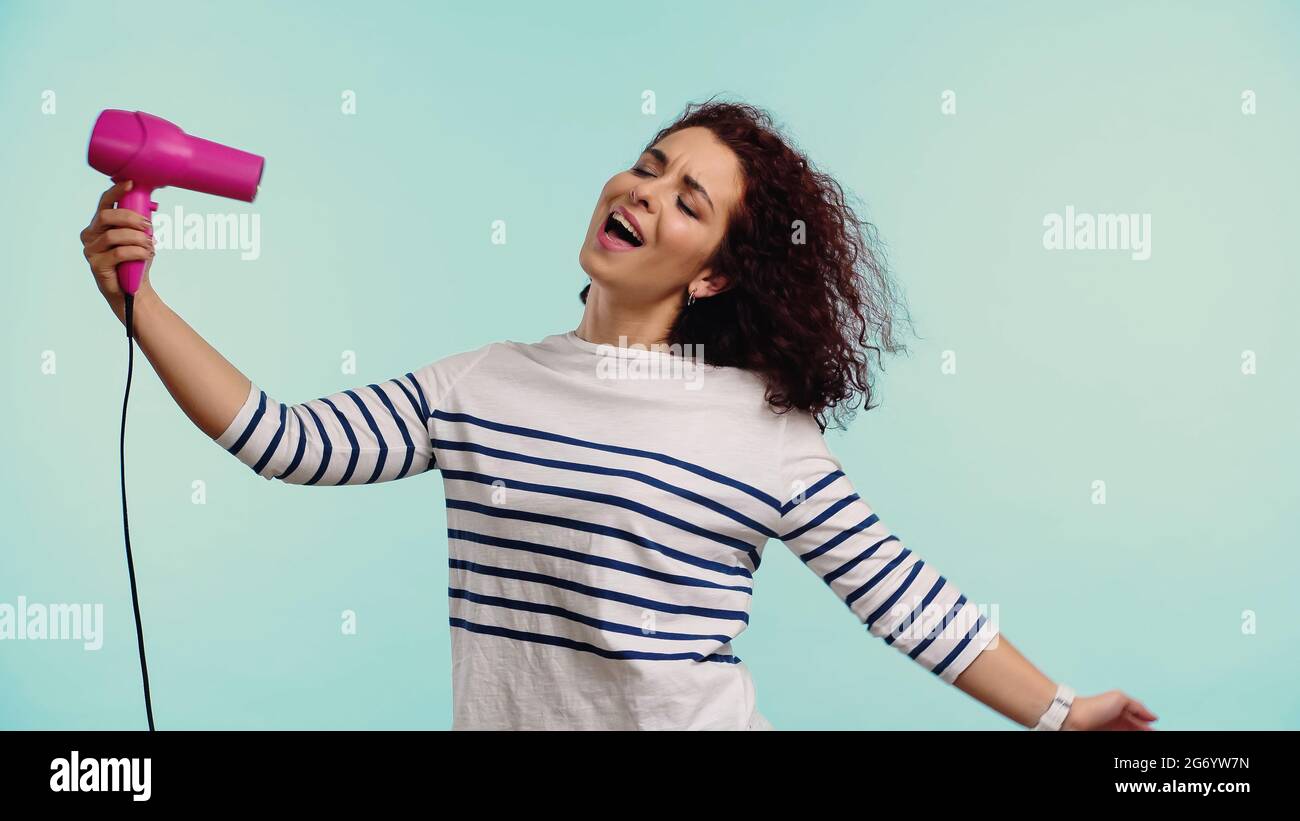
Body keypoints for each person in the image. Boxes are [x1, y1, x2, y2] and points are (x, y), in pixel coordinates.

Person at [80, 98, 1158, 731]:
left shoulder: (758, 426)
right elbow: (284, 439)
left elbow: (900, 597)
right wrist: (143, 307)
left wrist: (1061, 713)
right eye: (650, 166)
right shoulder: (481, 383)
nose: (645, 192)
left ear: (713, 275)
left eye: (689, 200)